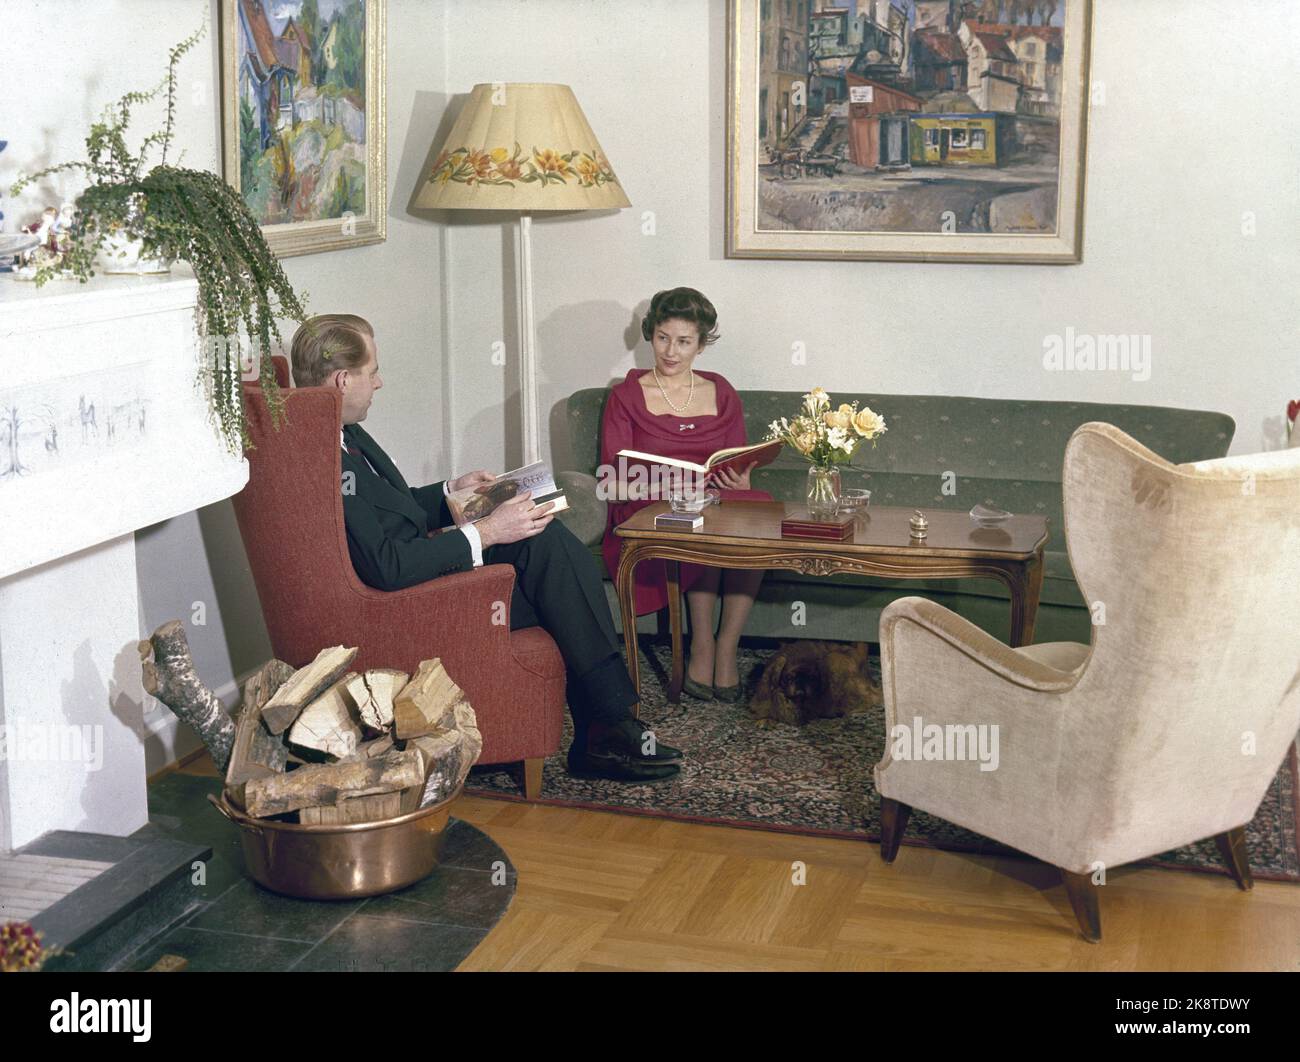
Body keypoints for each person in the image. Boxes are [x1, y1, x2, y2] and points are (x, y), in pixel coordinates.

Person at [289, 313, 683, 783]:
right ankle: (607, 727)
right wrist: (488, 532)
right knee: (556, 577)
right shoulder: (322, 457)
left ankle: (607, 727)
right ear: (341, 378)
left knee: (547, 540)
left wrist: (451, 491)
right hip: (406, 603)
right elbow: (388, 567)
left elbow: (390, 511)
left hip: (426, 570)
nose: (380, 382)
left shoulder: (344, 430)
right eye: (372, 372)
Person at [599, 288, 769, 702]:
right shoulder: (626, 395)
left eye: (683, 341)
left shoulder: (721, 390)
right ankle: (702, 644)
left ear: (701, 343)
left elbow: (737, 459)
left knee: (756, 508)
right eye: (662, 338)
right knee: (699, 514)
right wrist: (667, 486)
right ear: (650, 335)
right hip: (648, 503)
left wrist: (739, 482)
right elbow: (609, 481)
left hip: (714, 497)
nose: (670, 351)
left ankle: (727, 643)